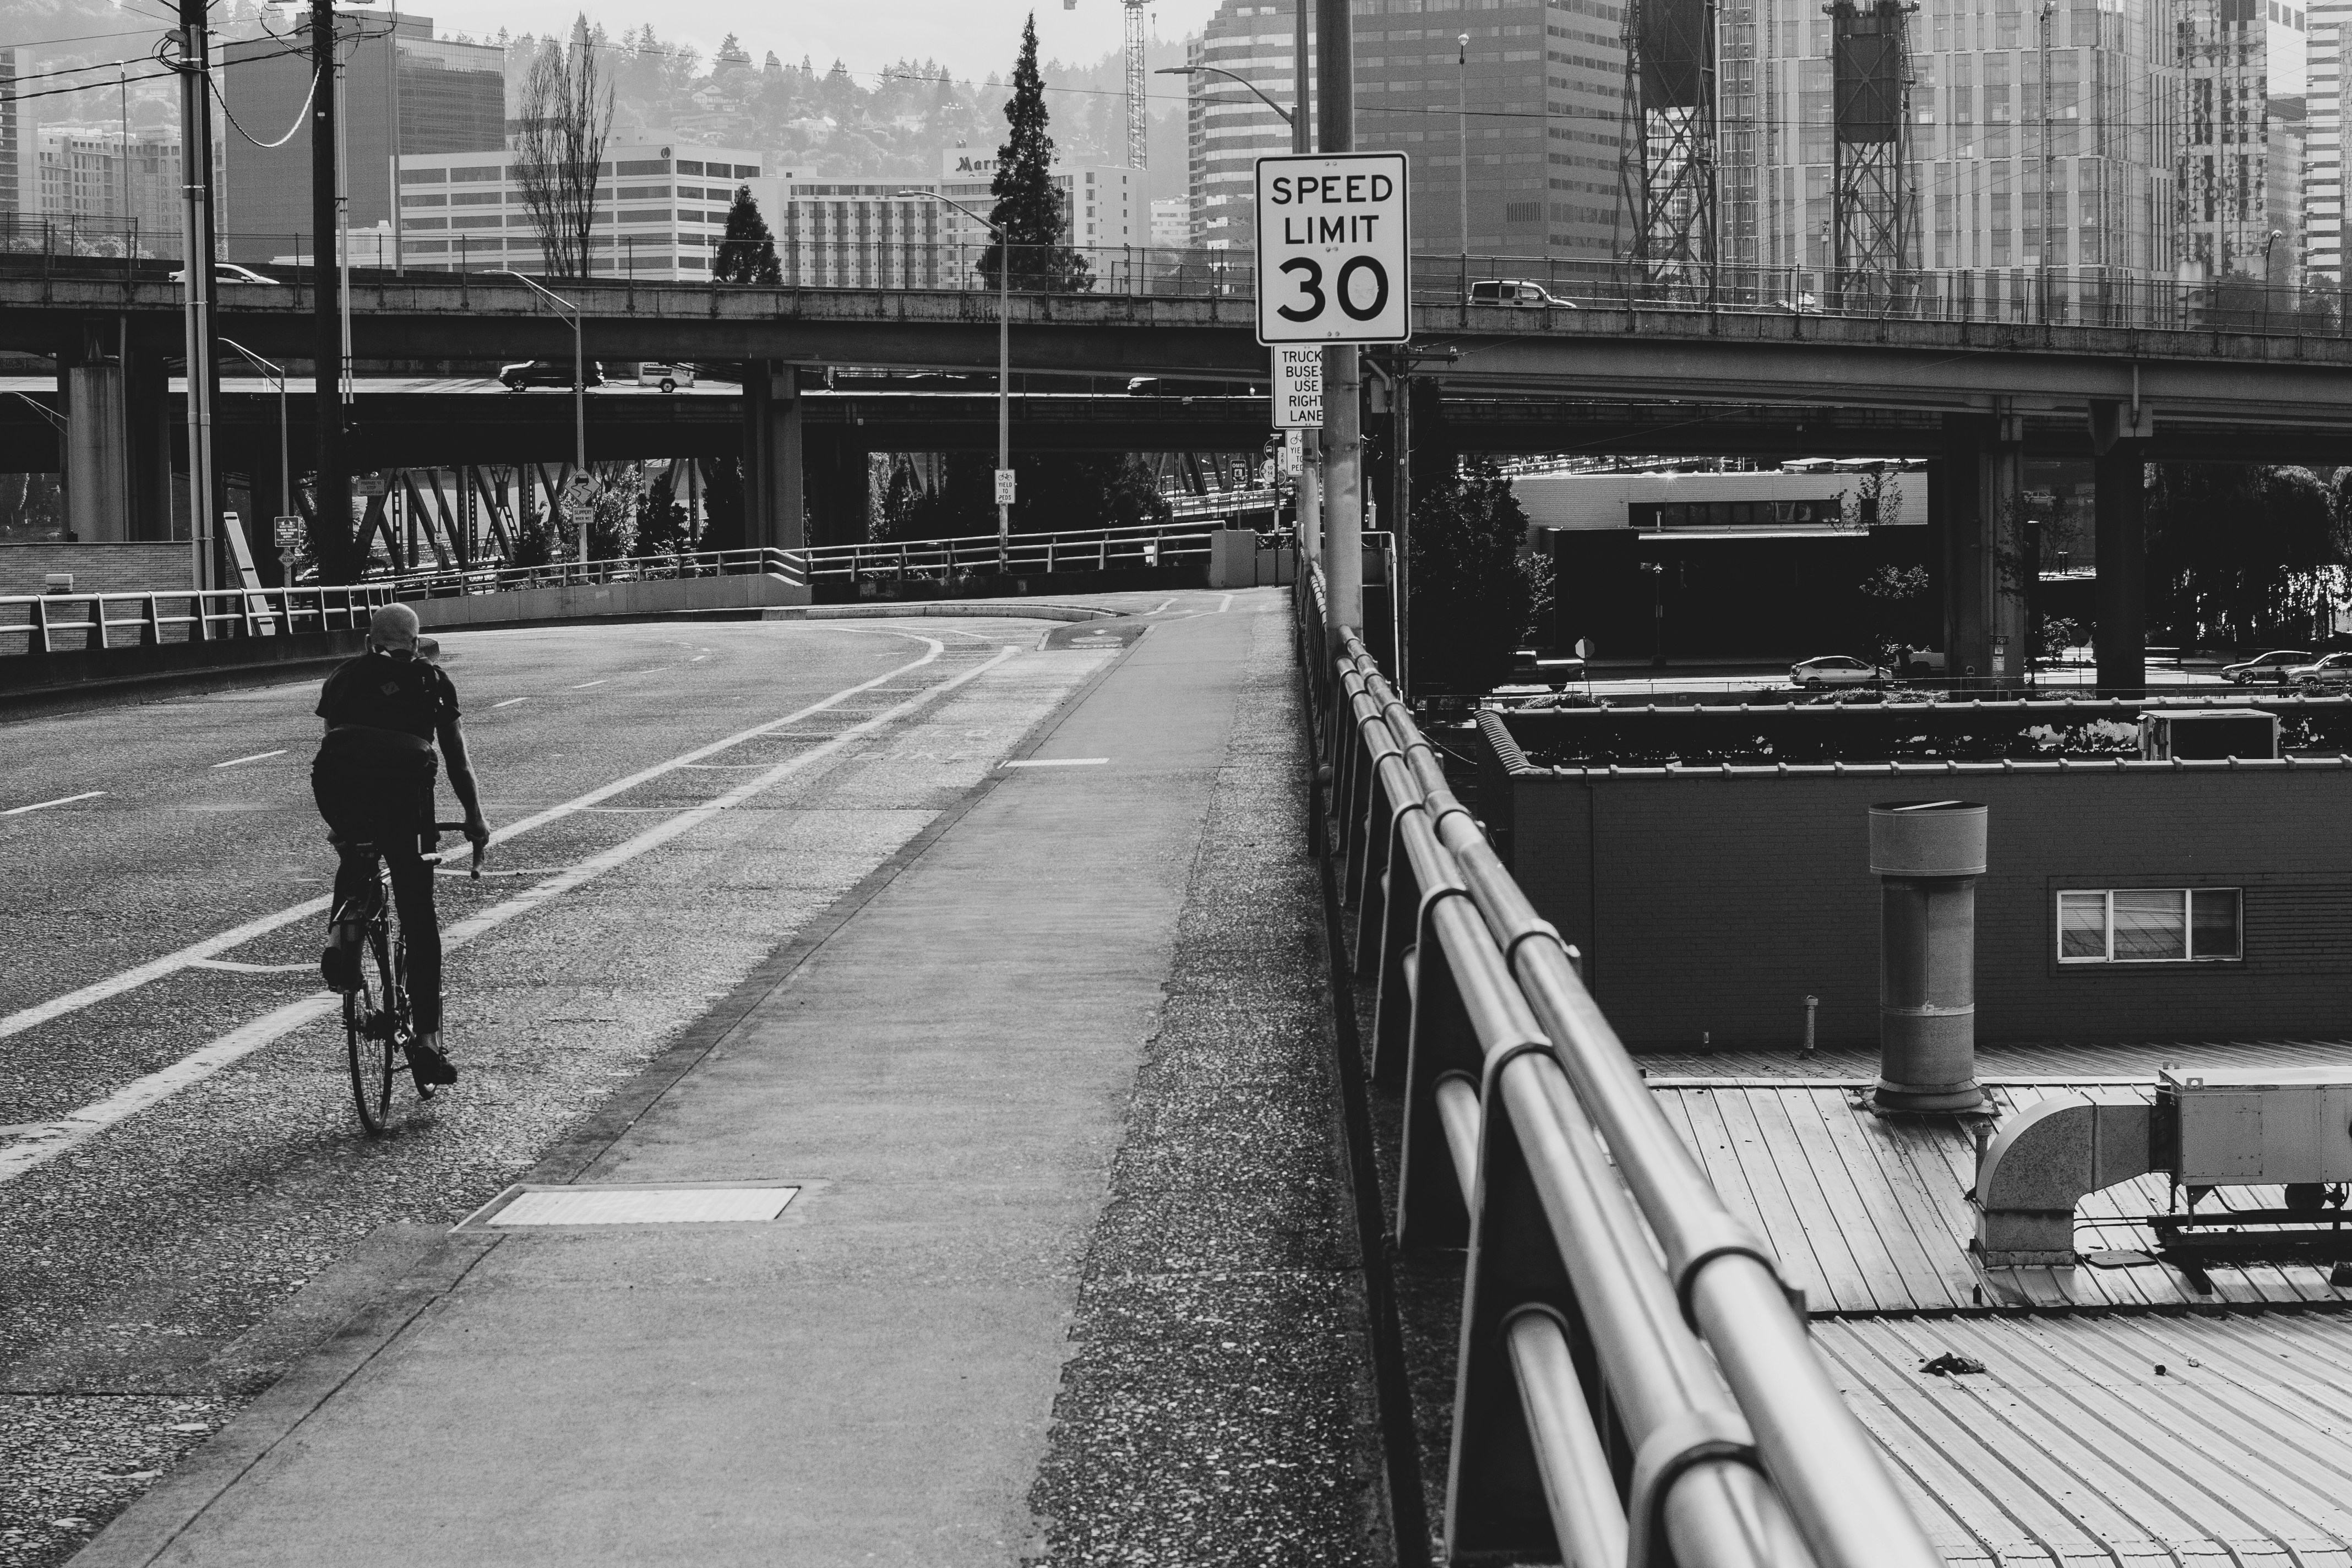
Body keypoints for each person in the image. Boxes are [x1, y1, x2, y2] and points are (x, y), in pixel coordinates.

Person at [313, 603, 489, 1087]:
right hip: (406, 798)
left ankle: (340, 938)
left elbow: (334, 742)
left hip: (339, 786)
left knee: (355, 852)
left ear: (369, 642)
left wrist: (342, 821)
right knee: (418, 916)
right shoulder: (432, 680)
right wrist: (475, 817)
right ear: (415, 644)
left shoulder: (344, 676)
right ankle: (428, 1041)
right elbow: (457, 760)